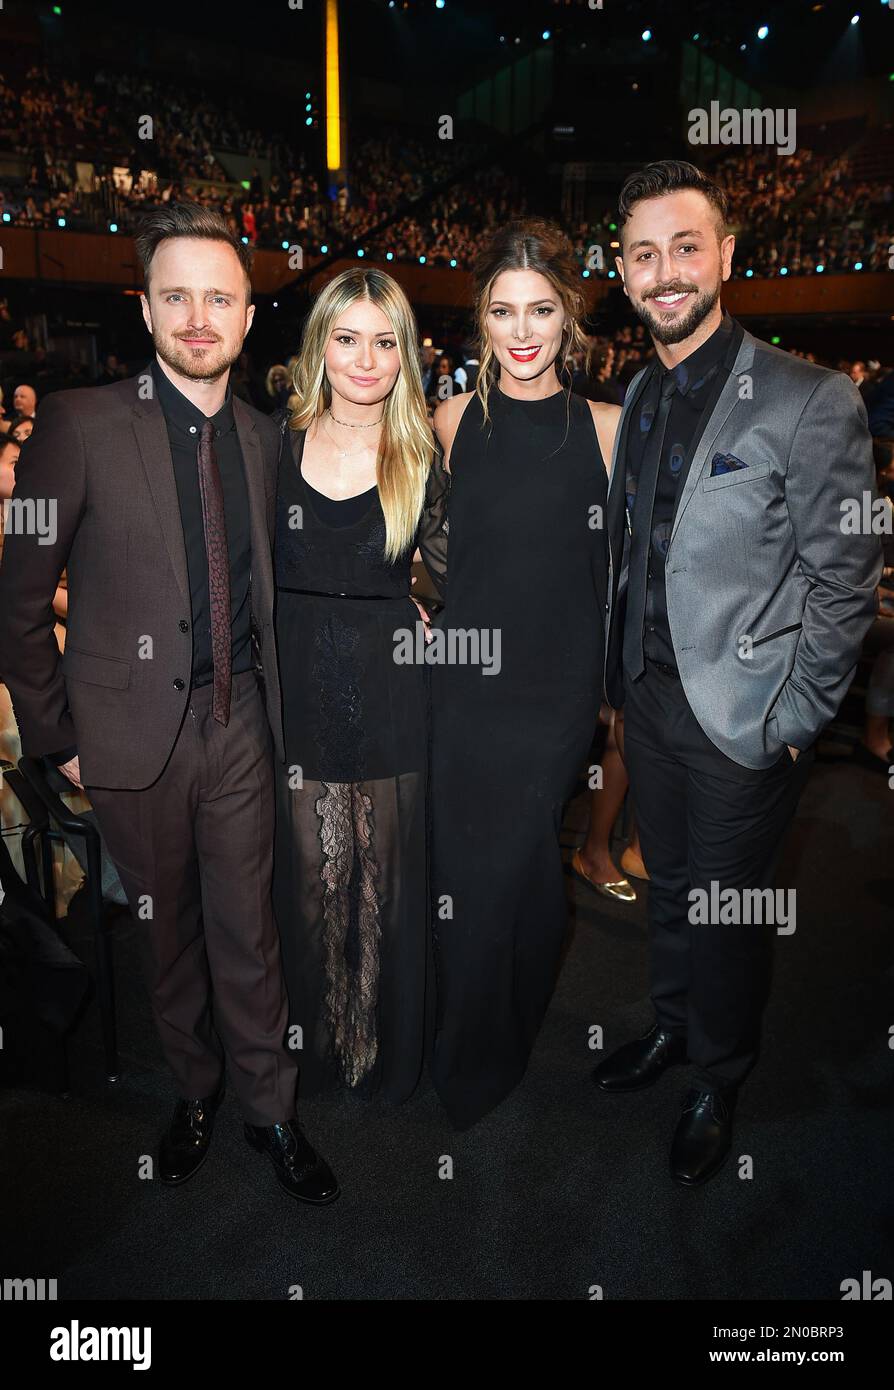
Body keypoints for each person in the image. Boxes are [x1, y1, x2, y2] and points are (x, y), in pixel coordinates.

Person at [0, 203, 338, 1205]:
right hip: (124, 735)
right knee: (167, 931)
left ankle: (269, 1110)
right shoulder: (79, 421)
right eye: (178, 296)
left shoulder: (269, 439)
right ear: (145, 308)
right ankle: (193, 1090)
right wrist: (60, 739)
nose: (200, 318)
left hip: (241, 725)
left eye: (220, 299)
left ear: (245, 319)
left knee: (251, 929)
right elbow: (18, 600)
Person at [595, 160, 882, 1185]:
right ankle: (674, 1027)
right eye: (643, 253)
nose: (664, 271)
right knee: (669, 886)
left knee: (726, 908)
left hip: (743, 719)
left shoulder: (809, 400)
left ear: (726, 255)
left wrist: (793, 719)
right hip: (653, 703)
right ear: (622, 271)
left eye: (685, 246)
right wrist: (620, 687)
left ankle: (719, 1074)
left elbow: (846, 581)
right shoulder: (638, 388)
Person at [430, 218, 620, 1129]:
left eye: (540, 308)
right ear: (481, 319)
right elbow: (414, 546)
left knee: (518, 870)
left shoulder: (610, 431)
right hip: (462, 690)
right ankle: (471, 1037)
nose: (522, 329)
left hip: (554, 696)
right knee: (471, 869)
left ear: (570, 316)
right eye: (503, 310)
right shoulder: (451, 419)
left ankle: (494, 1036)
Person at [273, 267, 448, 1101]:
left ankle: (375, 1048)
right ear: (321, 346)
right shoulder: (274, 443)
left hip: (388, 681)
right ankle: (314, 1044)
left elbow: (466, 575)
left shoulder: (422, 452)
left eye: (385, 341)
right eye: (347, 338)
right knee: (313, 873)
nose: (365, 359)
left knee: (381, 874)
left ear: (403, 353)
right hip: (300, 678)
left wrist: (434, 617)